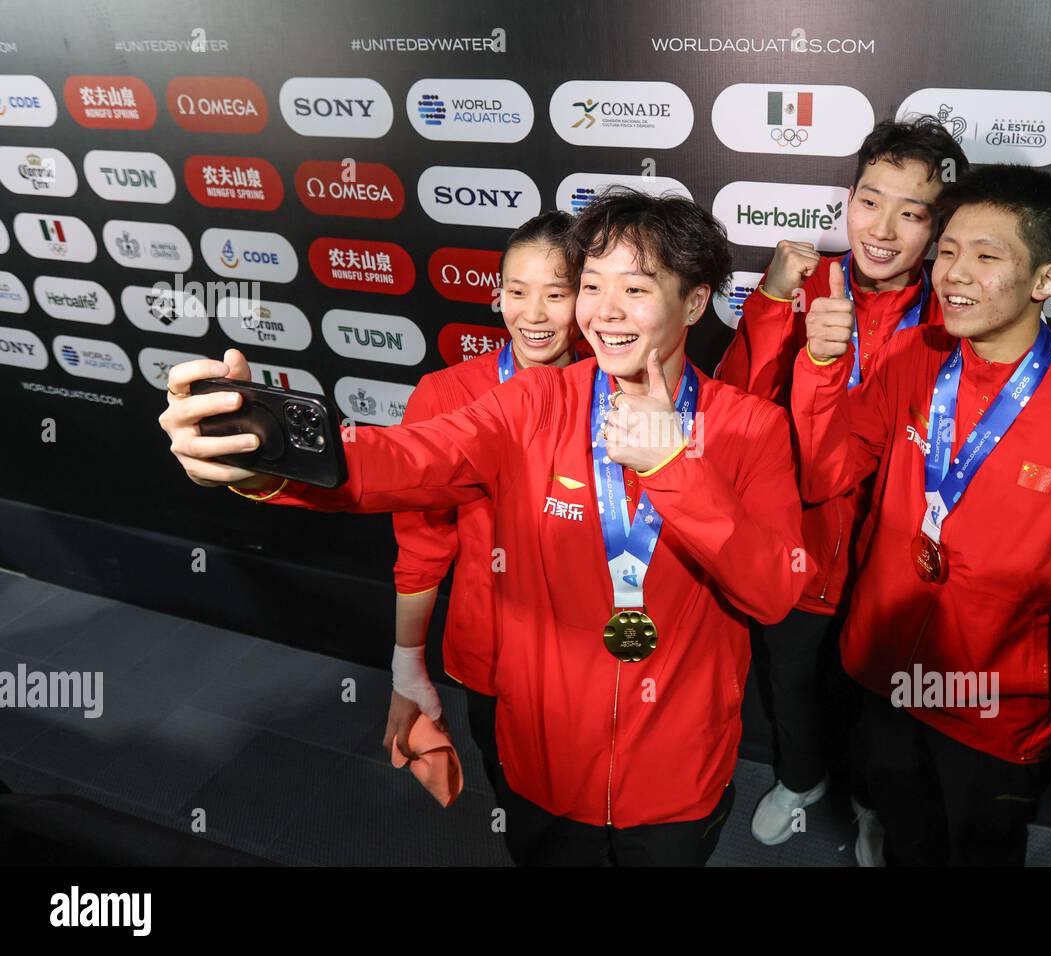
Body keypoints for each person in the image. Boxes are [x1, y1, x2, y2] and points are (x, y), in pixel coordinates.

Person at [157, 189, 811, 867]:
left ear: (695, 302)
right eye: (590, 285)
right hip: (543, 765)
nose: (605, 312)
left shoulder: (749, 427)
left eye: (636, 288)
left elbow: (773, 591)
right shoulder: (534, 402)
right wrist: (265, 455)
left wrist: (675, 468)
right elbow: (405, 459)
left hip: (680, 775)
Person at [791, 164, 1051, 866]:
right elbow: (828, 470)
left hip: (995, 713)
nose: (954, 275)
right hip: (883, 677)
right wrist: (818, 366)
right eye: (950, 252)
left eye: (988, 257)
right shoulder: (913, 356)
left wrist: (1018, 652)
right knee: (905, 840)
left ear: (1046, 281)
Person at [715, 117, 968, 857]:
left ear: (938, 226)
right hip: (797, 549)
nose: (882, 228)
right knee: (792, 690)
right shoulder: (806, 280)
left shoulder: (953, 317)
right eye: (869, 200)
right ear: (848, 199)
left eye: (912, 212)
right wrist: (768, 297)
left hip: (897, 560)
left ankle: (870, 805)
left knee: (882, 710)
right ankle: (801, 780)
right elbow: (732, 407)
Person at [387, 211, 580, 799]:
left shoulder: (621, 396)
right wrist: (406, 661)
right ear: (497, 296)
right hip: (493, 657)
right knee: (520, 805)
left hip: (594, 658)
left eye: (558, 293)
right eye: (517, 292)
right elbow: (422, 545)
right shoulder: (446, 396)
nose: (535, 314)